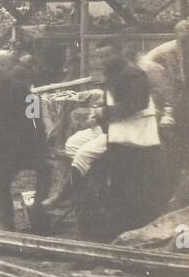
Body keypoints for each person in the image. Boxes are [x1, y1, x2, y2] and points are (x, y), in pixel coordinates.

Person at [45, 53, 159, 208]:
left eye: (105, 57)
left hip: (130, 132)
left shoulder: (135, 77)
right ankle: (85, 184)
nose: (101, 61)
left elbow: (133, 107)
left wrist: (103, 113)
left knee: (84, 154)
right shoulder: (114, 76)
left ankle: (65, 195)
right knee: (73, 143)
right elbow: (108, 104)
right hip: (112, 126)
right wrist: (98, 113)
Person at [0, 55, 49, 233]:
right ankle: (6, 223)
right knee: (2, 184)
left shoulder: (25, 93)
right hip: (2, 149)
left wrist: (39, 145)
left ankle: (39, 211)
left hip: (25, 146)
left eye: (3, 66)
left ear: (10, 69)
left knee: (46, 169)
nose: (0, 70)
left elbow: (36, 121)